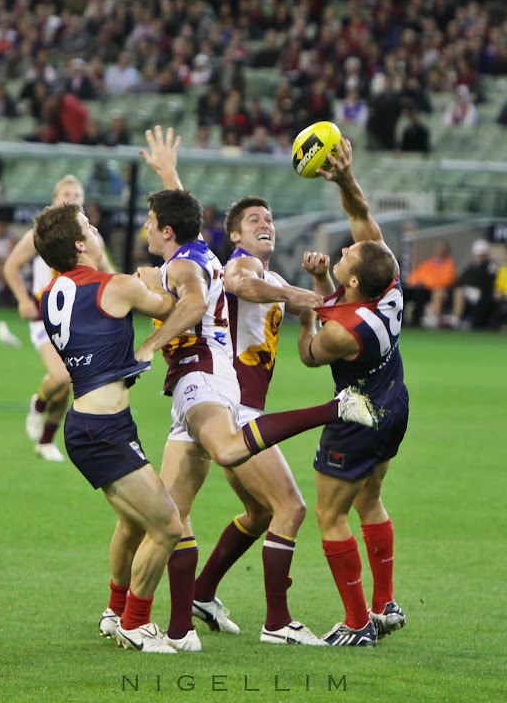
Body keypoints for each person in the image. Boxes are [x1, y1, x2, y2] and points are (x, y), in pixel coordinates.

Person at [134, 126, 376, 652]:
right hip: (232, 406)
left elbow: (308, 348)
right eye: (253, 221)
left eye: (269, 219)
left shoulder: (252, 268)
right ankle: (277, 621)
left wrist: (313, 291)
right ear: (235, 237)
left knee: (219, 515)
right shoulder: (243, 266)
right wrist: (307, 296)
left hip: (211, 400)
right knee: (289, 508)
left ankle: (178, 605)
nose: (265, 224)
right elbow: (244, 285)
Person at [33, 202, 181, 653]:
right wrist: (154, 282)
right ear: (80, 244)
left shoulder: (51, 294)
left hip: (88, 422)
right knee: (168, 527)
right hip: (104, 428)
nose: (97, 232)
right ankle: (136, 625)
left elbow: (91, 340)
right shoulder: (116, 286)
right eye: (90, 227)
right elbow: (171, 305)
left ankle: (115, 612)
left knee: (132, 525)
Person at [298, 137, 408, 647]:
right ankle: (385, 605)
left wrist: (308, 308)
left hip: (359, 414)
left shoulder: (346, 332)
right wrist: (344, 177)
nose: (344, 248)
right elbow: (362, 214)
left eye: (346, 256)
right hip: (394, 404)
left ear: (357, 279)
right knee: (370, 501)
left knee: (329, 514)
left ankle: (357, 620)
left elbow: (310, 353)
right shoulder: (387, 284)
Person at [3, 175, 113, 461]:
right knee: (62, 376)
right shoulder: (41, 234)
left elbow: (108, 275)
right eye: (66, 193)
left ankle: (45, 441)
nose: (71, 198)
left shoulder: (91, 237)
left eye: (76, 194)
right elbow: (11, 266)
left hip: (78, 318)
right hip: (45, 314)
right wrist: (23, 300)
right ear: (54, 200)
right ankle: (39, 404)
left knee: (69, 382)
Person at [403, 240, 456, 328]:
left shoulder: (448, 265)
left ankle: (420, 320)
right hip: (422, 288)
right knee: (405, 290)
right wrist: (418, 282)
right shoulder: (429, 263)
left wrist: (426, 283)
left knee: (423, 292)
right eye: (438, 249)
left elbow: (446, 280)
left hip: (434, 290)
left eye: (442, 249)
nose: (439, 251)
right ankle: (401, 320)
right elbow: (414, 276)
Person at [447, 239, 497, 330]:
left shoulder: (491, 266)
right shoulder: (471, 266)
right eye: (478, 255)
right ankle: (454, 318)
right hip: (469, 291)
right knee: (457, 291)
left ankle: (456, 319)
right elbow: (461, 280)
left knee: (460, 292)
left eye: (482, 255)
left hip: (482, 292)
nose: (480, 257)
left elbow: (490, 283)